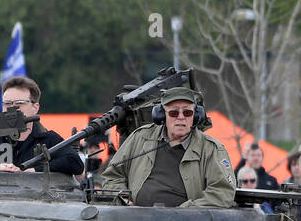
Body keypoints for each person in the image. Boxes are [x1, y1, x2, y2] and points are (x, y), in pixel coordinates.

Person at [101, 87, 235, 208]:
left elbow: (222, 192)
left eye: (187, 113)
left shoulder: (211, 149)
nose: (181, 117)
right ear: (161, 115)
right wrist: (123, 198)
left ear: (196, 116)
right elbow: (113, 175)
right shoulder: (140, 138)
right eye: (174, 113)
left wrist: (187, 210)